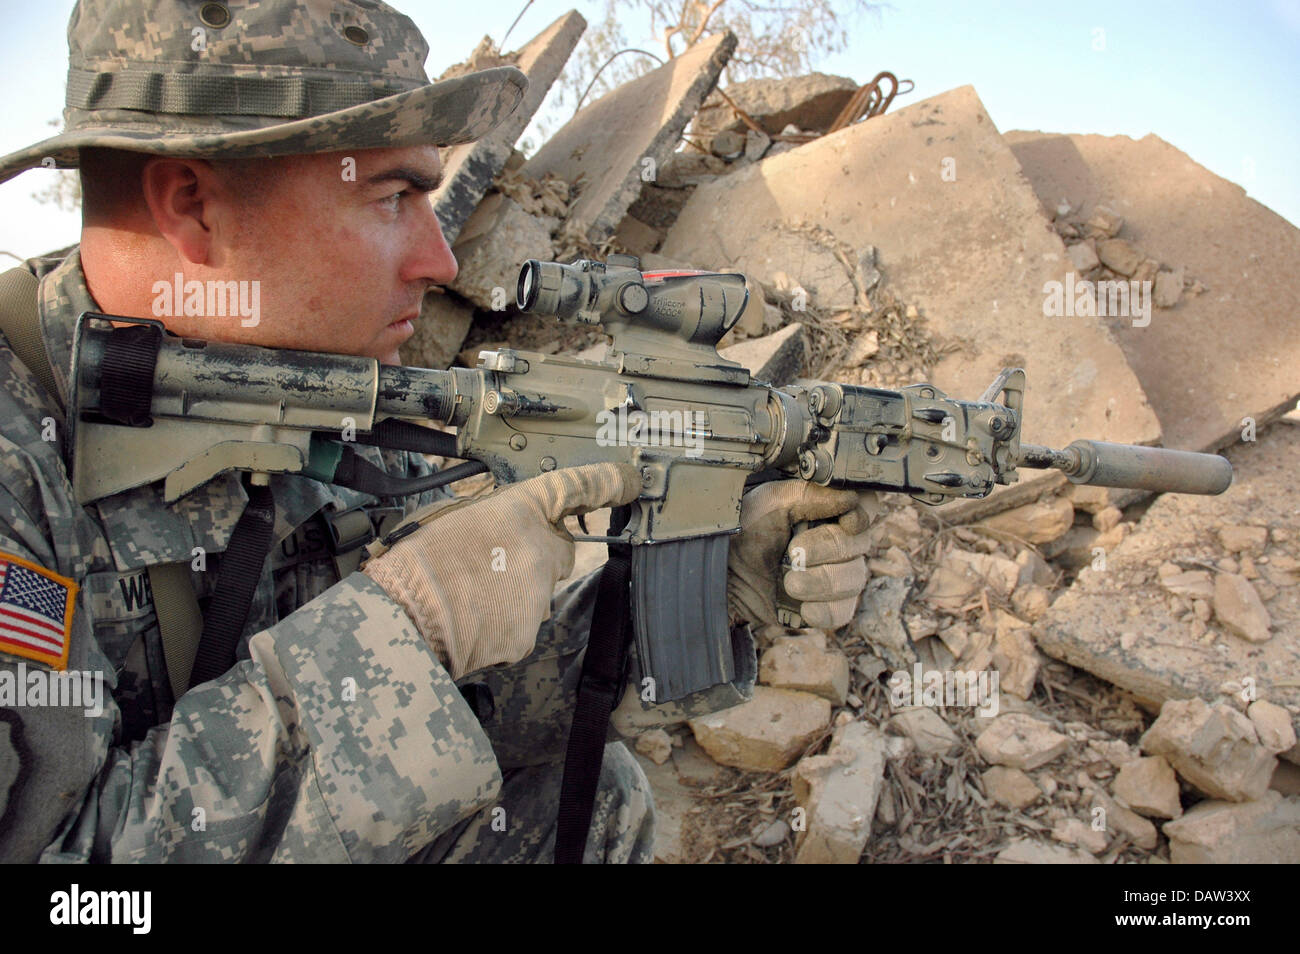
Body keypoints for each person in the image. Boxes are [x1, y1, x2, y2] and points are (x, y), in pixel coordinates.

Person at [0, 0, 880, 863]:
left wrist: (675, 601)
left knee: (581, 798)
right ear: (193, 206)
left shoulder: (318, 384)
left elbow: (442, 720)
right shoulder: (18, 464)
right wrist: (406, 627)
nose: (442, 260)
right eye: (393, 198)